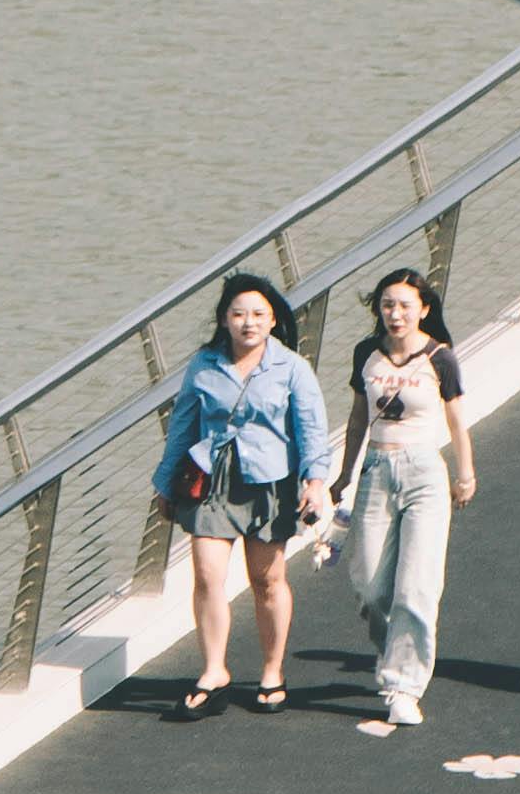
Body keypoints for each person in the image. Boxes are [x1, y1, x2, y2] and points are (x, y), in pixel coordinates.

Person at [157, 276, 333, 716]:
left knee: (266, 580)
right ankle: (214, 671)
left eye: (258, 314)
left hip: (269, 484)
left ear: (273, 320)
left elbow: (311, 430)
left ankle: (272, 672)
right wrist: (163, 485)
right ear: (224, 319)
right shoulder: (204, 364)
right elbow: (182, 425)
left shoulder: (291, 367)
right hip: (212, 481)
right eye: (238, 314)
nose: (248, 323)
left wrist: (315, 481)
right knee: (206, 575)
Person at [337, 263, 476, 735]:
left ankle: (403, 687)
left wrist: (466, 474)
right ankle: (393, 648)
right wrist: (343, 476)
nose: (396, 314)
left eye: (405, 306)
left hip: (424, 473)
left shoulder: (440, 358)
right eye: (387, 305)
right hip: (377, 470)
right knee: (371, 588)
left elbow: (457, 421)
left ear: (424, 310)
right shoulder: (366, 354)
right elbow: (358, 419)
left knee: (417, 586)